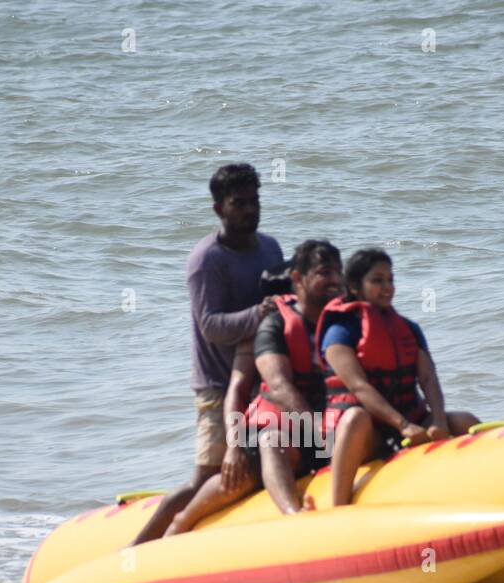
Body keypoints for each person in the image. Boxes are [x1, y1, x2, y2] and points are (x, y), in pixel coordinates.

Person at [130, 163, 283, 545]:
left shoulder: (270, 248)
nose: (250, 209)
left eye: (255, 201)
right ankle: (137, 548)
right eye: (239, 203)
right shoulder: (206, 260)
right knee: (207, 477)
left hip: (262, 381)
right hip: (217, 384)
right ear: (219, 209)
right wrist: (259, 313)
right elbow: (211, 326)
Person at [165, 240, 343, 533]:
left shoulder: (342, 321)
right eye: (326, 273)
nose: (335, 280)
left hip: (314, 431)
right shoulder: (270, 328)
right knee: (258, 454)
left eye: (338, 272)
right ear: (298, 282)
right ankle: (182, 524)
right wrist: (234, 446)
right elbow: (246, 388)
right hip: (279, 432)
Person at [317, 247, 480, 506]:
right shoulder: (339, 331)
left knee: (465, 421)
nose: (387, 287)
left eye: (391, 280)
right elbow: (359, 387)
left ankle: (482, 487)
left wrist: (438, 420)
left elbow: (428, 379)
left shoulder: (408, 328)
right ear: (355, 286)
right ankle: (338, 504)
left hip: (411, 420)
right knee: (356, 418)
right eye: (377, 280)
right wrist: (402, 425)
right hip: (365, 433)